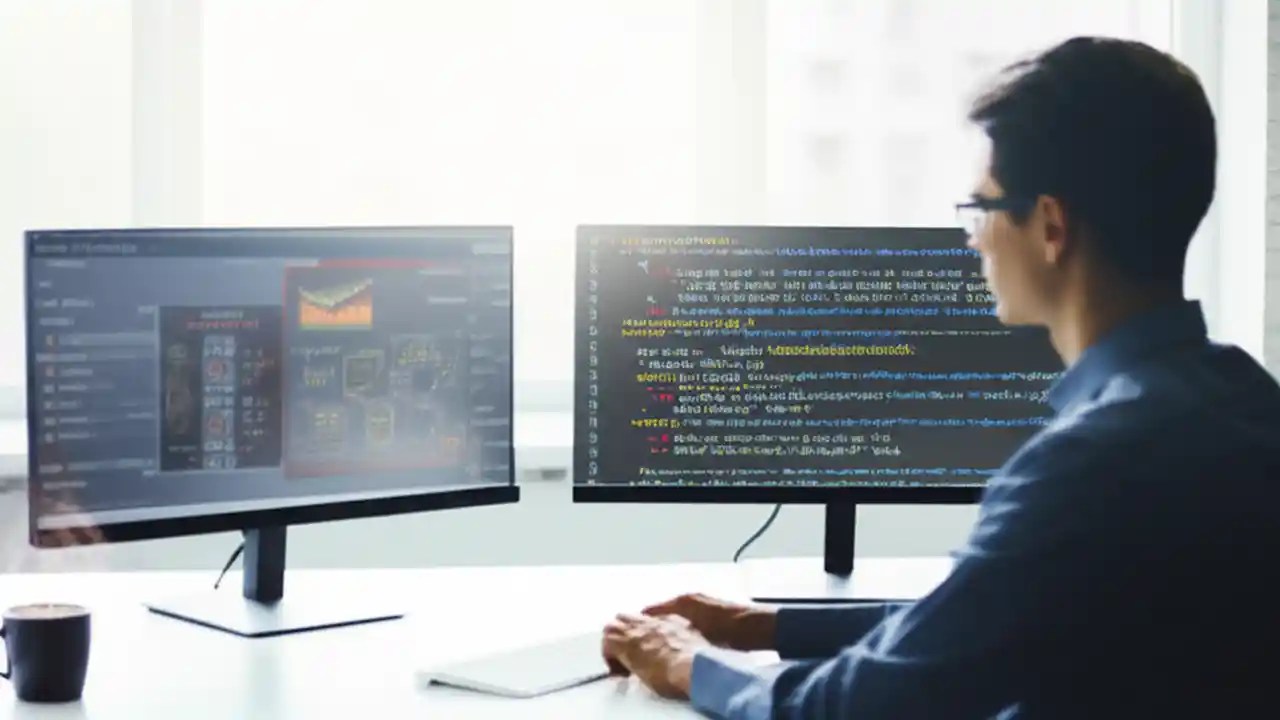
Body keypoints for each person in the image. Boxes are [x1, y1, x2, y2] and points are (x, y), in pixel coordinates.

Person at [601, 36, 1280, 718]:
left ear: (1049, 225)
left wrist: (688, 663)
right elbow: (987, 619)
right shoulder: (1246, 402)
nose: (972, 236)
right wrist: (763, 627)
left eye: (981, 207)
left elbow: (858, 707)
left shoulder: (1088, 466)